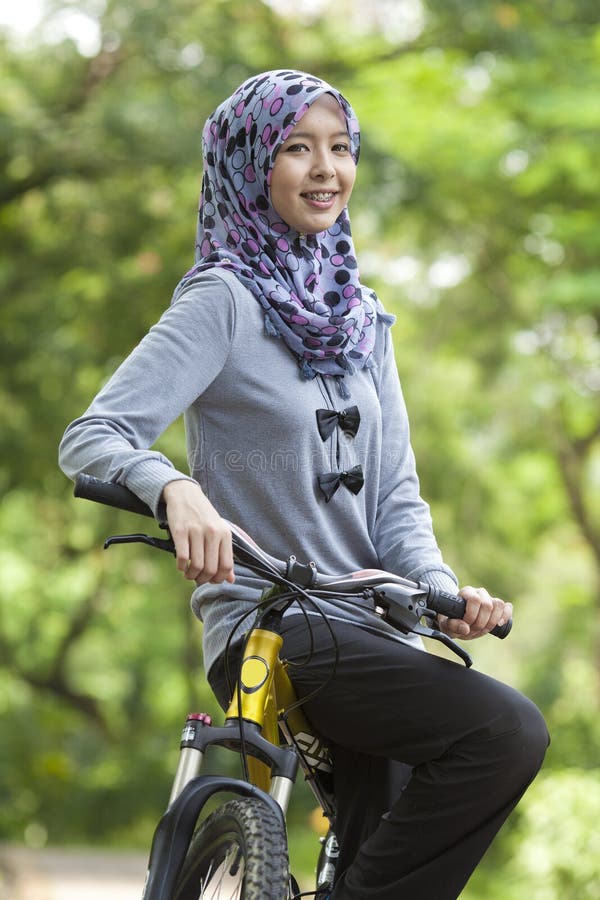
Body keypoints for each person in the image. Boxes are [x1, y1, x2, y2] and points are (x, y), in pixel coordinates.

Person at [59, 69, 548, 899]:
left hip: (374, 628)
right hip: (271, 623)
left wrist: (437, 590)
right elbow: (93, 435)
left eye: (340, 148)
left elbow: (395, 496)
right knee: (507, 731)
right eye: (296, 148)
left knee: (381, 843)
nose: (326, 168)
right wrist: (175, 491)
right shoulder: (223, 300)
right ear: (252, 165)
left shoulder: (365, 319)